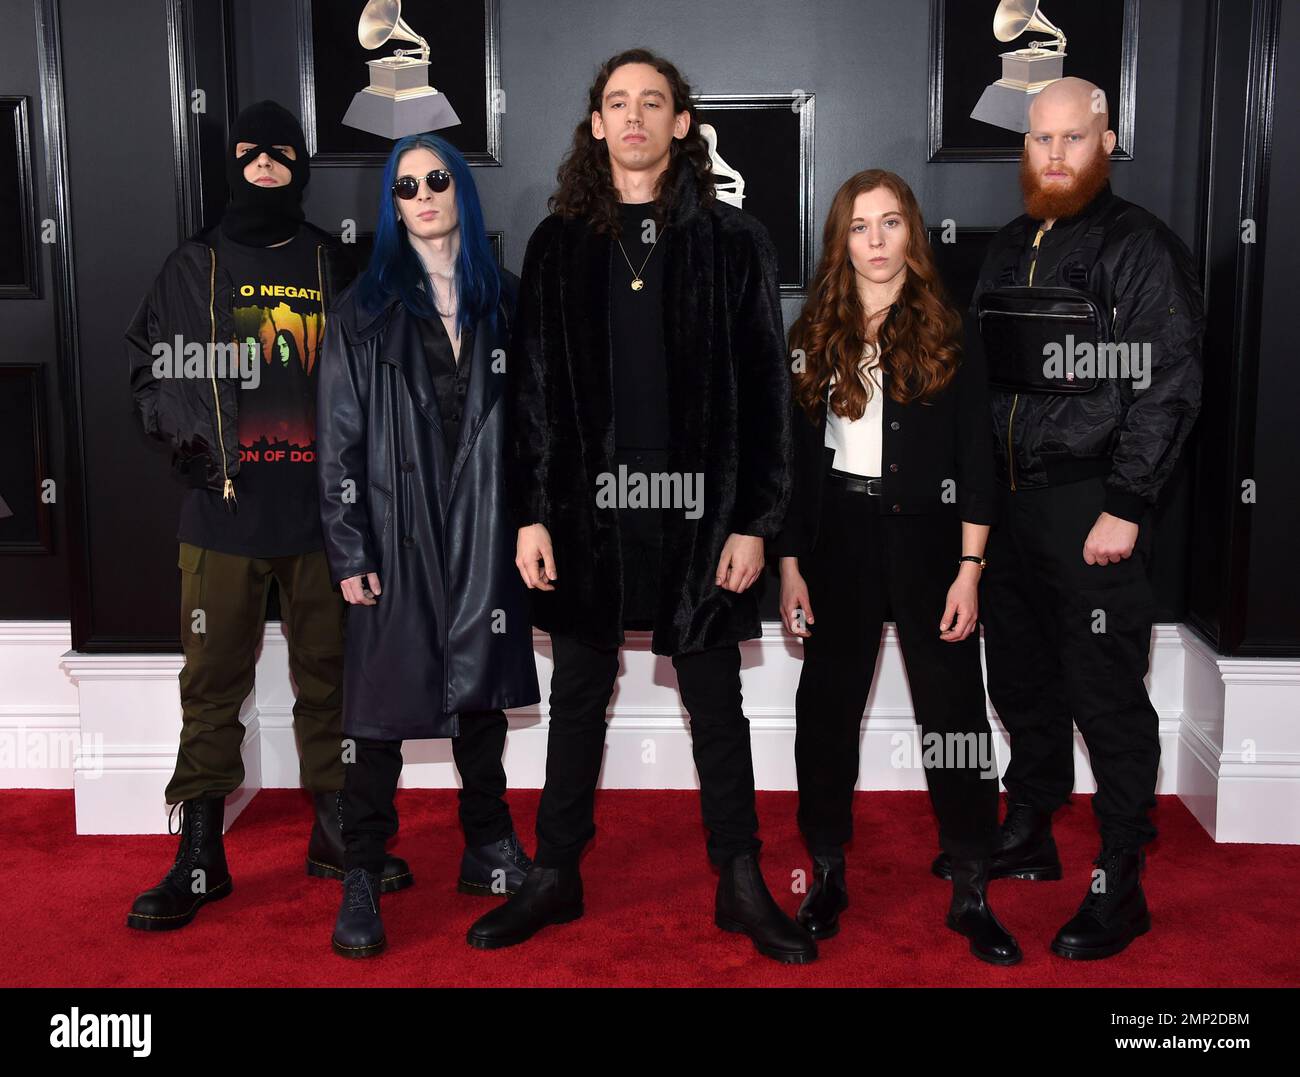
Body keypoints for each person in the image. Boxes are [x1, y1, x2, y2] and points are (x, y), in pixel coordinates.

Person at [466, 49, 815, 964]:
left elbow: (767, 397)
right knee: (578, 693)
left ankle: (740, 878)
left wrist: (755, 522)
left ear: (681, 123)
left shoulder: (734, 241)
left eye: (651, 102)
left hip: (701, 512)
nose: (633, 117)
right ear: (596, 125)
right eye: (617, 103)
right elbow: (532, 393)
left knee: (716, 699)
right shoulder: (557, 244)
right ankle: (555, 870)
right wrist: (531, 514)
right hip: (587, 512)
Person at [124, 100, 410, 931]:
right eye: (250, 154)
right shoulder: (194, 264)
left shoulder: (332, 261)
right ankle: (200, 855)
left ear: (299, 167)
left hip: (324, 518)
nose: (264, 166)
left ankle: (336, 831)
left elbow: (379, 372)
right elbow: (147, 367)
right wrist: (184, 437)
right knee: (212, 686)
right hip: (223, 517)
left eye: (280, 155)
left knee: (332, 681)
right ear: (234, 164)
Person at [936, 77, 1203, 960]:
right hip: (1011, 507)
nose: (1054, 154)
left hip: (1092, 502)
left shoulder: (1139, 246)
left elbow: (1168, 382)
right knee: (1020, 678)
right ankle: (1031, 826)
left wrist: (1126, 503)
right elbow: (981, 380)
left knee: (1105, 693)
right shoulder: (1012, 244)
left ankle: (1120, 876)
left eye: (1072, 138)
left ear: (1105, 141)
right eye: (1040, 139)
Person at [774, 169, 1020, 965]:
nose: (875, 240)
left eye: (889, 223)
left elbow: (978, 461)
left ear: (911, 231)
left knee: (954, 713)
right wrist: (789, 563)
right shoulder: (812, 331)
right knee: (826, 710)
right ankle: (827, 872)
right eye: (859, 226)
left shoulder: (950, 329)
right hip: (836, 537)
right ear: (839, 241)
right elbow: (790, 463)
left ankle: (972, 886)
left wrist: (970, 568)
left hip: (931, 539)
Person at [317, 134, 541, 958]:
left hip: (486, 526)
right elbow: (337, 439)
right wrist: (350, 550)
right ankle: (363, 870)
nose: (423, 196)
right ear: (392, 205)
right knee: (376, 719)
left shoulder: (508, 302)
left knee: (480, 700)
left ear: (460, 191)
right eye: (405, 186)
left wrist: (534, 520)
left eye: (436, 179)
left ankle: (488, 844)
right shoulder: (363, 310)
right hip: (394, 531)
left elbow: (537, 430)